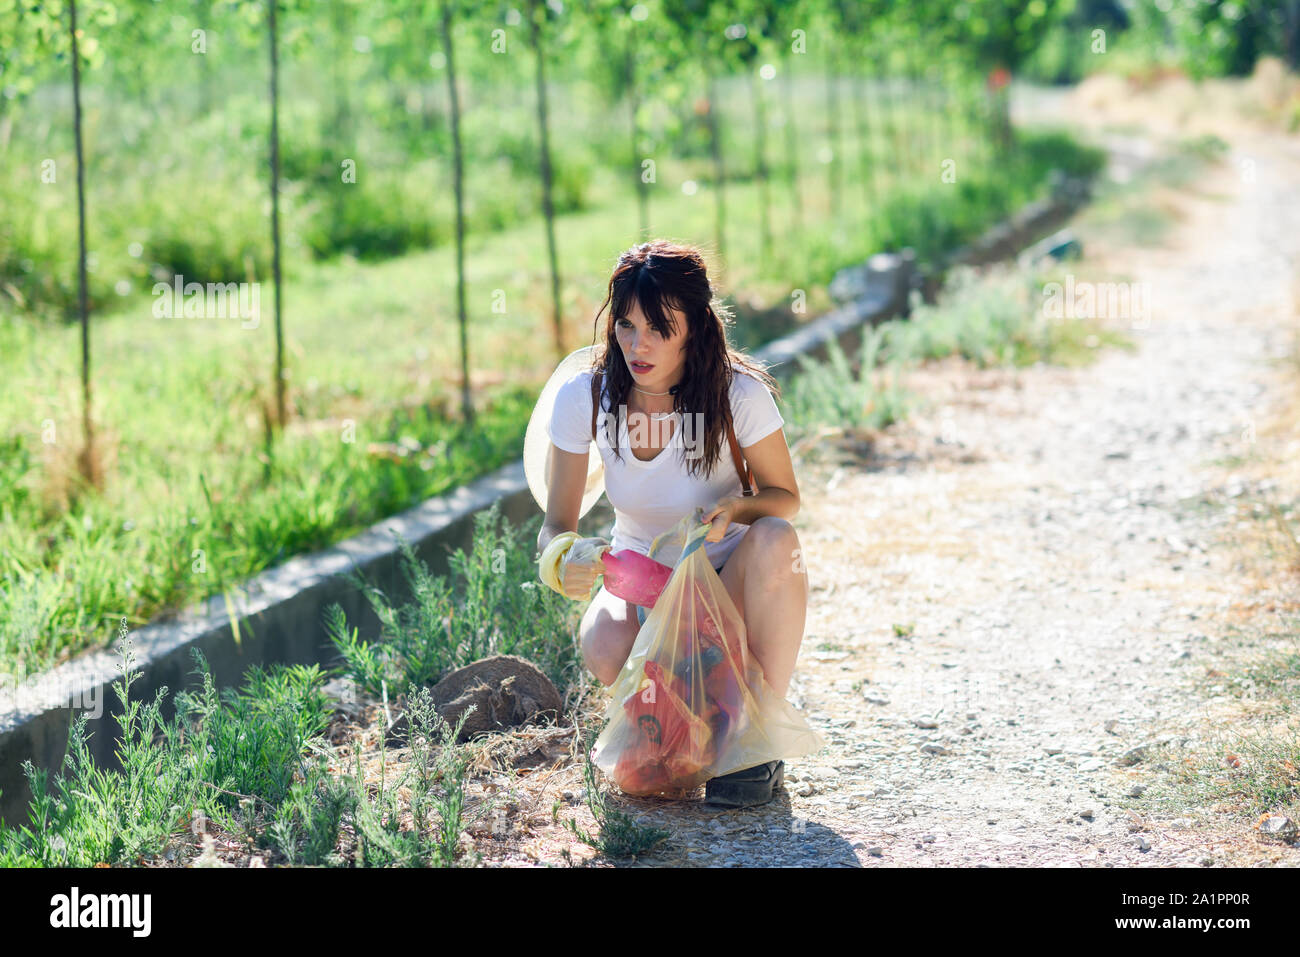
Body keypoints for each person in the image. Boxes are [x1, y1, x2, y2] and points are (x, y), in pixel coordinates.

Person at [536, 239, 810, 806]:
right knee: (605, 645)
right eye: (626, 325)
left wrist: (737, 510)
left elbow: (785, 499)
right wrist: (563, 561)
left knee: (777, 541)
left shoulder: (739, 395)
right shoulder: (585, 395)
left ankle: (758, 746)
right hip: (642, 581)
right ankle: (695, 717)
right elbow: (554, 527)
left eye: (659, 328)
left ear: (695, 326)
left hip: (727, 583)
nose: (638, 345)